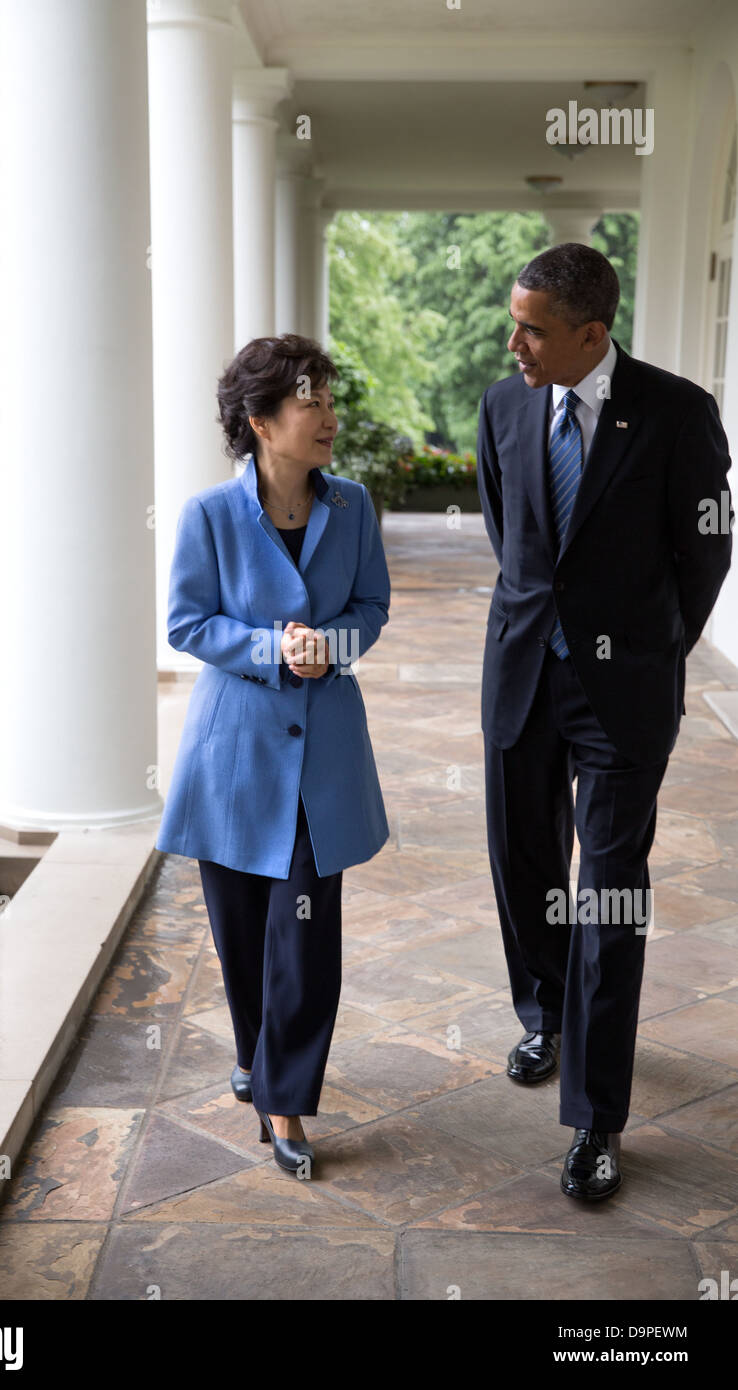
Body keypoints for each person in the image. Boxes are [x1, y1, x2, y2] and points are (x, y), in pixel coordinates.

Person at [476, 242, 733, 1200]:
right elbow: (513, 536)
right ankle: (543, 1014)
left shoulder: (677, 413)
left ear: (592, 334)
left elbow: (706, 548)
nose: (515, 344)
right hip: (521, 679)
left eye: (533, 330)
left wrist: (655, 649)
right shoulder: (504, 405)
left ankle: (596, 1118)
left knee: (609, 897)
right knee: (526, 866)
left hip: (622, 697)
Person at [155, 333, 391, 1177]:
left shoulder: (354, 506)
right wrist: (266, 646)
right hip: (234, 757)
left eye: (329, 398)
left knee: (304, 929)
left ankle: (285, 1101)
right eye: (309, 401)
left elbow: (372, 606)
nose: (328, 416)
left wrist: (331, 642)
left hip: (321, 757)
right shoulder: (209, 516)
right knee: (243, 930)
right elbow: (187, 623)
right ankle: (256, 1053)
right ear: (261, 422)